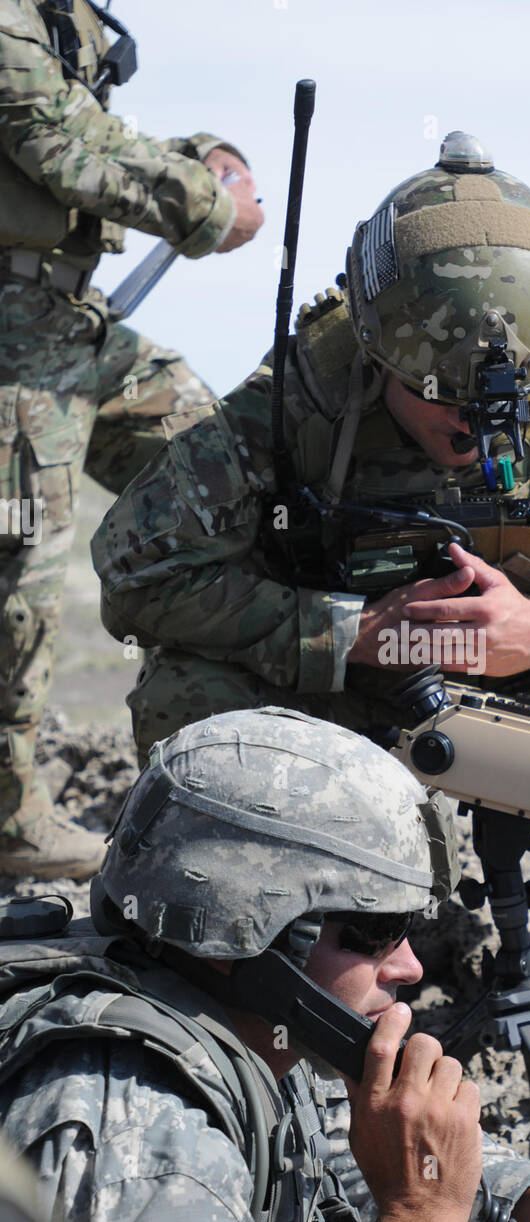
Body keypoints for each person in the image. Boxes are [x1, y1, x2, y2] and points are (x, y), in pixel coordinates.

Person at [91, 131, 530, 1034]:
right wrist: (344, 633)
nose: (475, 435)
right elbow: (138, 569)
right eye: (441, 402)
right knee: (189, 697)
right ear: (377, 357)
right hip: (358, 696)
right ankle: (245, 975)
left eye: (500, 409)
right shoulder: (298, 403)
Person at [0, 706, 530, 1222]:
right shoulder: (140, 1130)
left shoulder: (253, 1033)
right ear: (239, 931)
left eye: (410, 932)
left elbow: (339, 1147)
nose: (407, 966)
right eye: (370, 934)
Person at [0, 0, 264, 881]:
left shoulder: (62, 16)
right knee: (20, 580)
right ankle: (8, 819)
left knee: (211, 464)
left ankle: (215, 752)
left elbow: (92, 127)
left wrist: (201, 156)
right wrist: (203, 201)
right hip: (12, 334)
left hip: (67, 321)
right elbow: (55, 140)